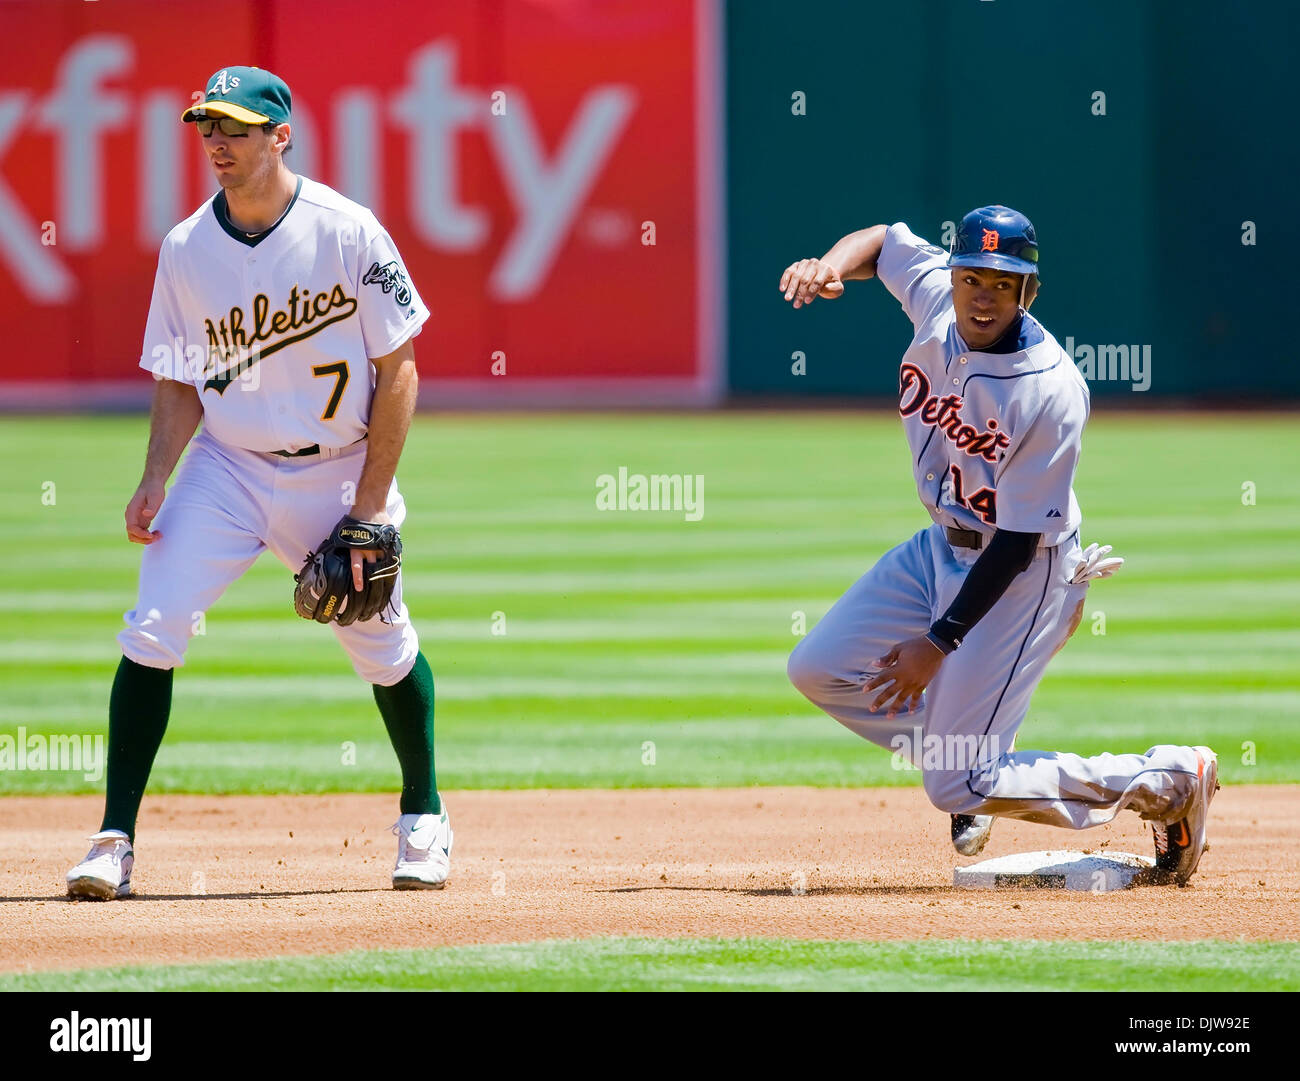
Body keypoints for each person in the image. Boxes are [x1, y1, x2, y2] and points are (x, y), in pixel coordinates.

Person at [66, 66, 451, 900]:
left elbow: (401, 368)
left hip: (336, 467)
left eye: (236, 127)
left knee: (381, 645)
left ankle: (423, 816)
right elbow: (175, 374)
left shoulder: (348, 230)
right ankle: (113, 838)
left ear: (281, 135)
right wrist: (155, 474)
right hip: (229, 467)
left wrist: (370, 503)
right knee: (154, 625)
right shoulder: (186, 247)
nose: (217, 142)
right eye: (207, 125)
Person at [779, 206, 1217, 883]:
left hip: (1024, 569)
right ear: (952, 275)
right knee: (818, 668)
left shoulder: (1049, 388)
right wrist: (831, 267)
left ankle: (1168, 779)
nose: (984, 295)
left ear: (1027, 292)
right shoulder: (934, 299)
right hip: (938, 548)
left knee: (952, 786)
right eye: (973, 277)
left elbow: (1014, 542)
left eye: (1003, 284)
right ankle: (976, 758)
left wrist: (938, 643)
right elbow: (884, 240)